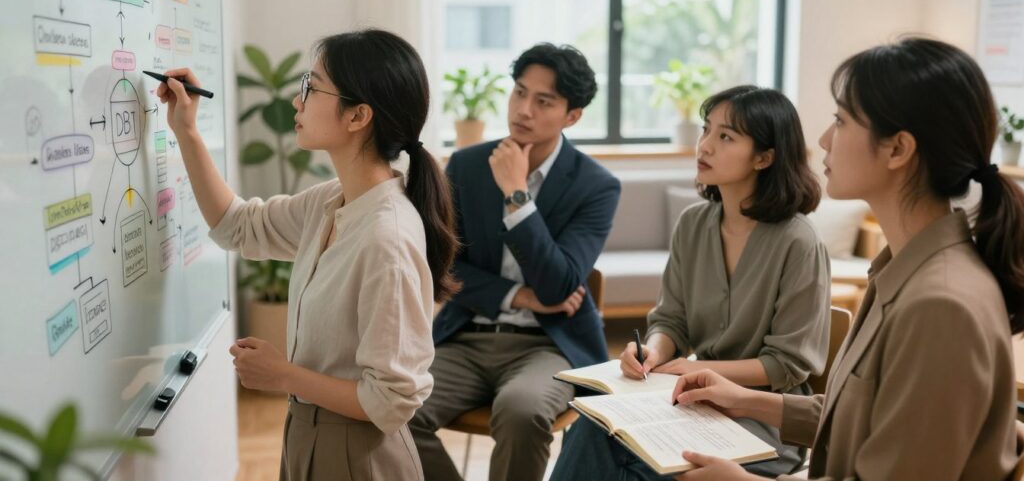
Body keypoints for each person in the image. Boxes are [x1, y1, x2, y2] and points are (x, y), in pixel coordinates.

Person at [672, 37, 1024, 481]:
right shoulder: (903, 270)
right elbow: (866, 417)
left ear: (897, 149)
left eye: (840, 120)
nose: (822, 139)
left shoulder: (940, 305)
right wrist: (746, 398)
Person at [155, 29, 458, 481]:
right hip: (307, 434)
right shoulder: (332, 202)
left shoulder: (386, 239)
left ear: (357, 115)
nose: (296, 103)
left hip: (358, 455)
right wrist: (187, 132)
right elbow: (238, 226)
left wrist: (283, 375)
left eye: (310, 88)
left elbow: (391, 401)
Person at [550, 85, 831, 480]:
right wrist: (653, 351)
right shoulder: (693, 225)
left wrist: (692, 371)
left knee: (638, 464)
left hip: (761, 415)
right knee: (592, 428)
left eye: (726, 136)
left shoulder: (797, 241)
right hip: (693, 397)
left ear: (764, 157)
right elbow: (672, 320)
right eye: (706, 129)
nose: (705, 146)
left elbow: (785, 365)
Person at [408, 43, 621, 481]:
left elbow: (559, 289)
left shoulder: (597, 186)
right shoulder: (466, 166)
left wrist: (517, 195)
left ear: (572, 116)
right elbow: (442, 267)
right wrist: (516, 295)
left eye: (543, 101)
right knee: (395, 405)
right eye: (519, 92)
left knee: (521, 410)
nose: (524, 109)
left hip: (550, 347)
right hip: (466, 336)